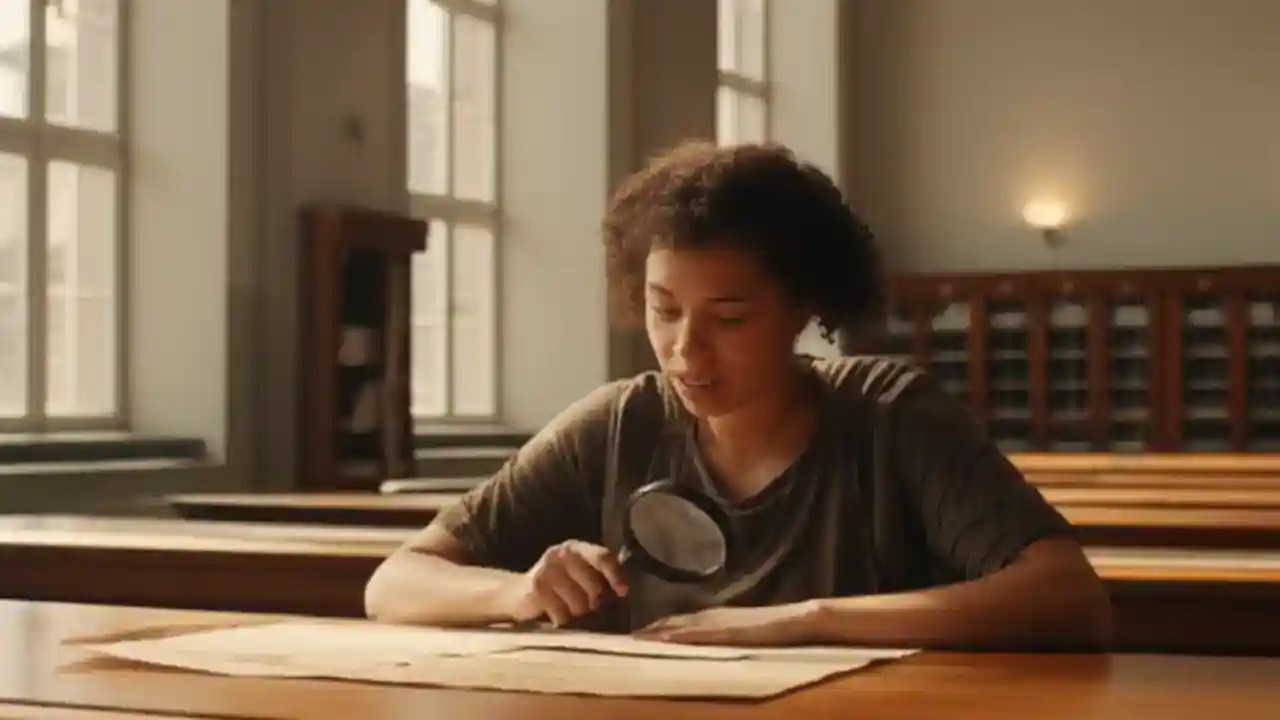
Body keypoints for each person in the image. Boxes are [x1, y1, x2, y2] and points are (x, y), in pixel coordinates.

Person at [365, 142, 1112, 649]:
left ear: (802, 309)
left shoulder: (891, 415)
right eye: (663, 310)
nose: (686, 350)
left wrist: (807, 622)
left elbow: (1067, 596)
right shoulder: (619, 423)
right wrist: (517, 593)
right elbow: (394, 583)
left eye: (729, 317)